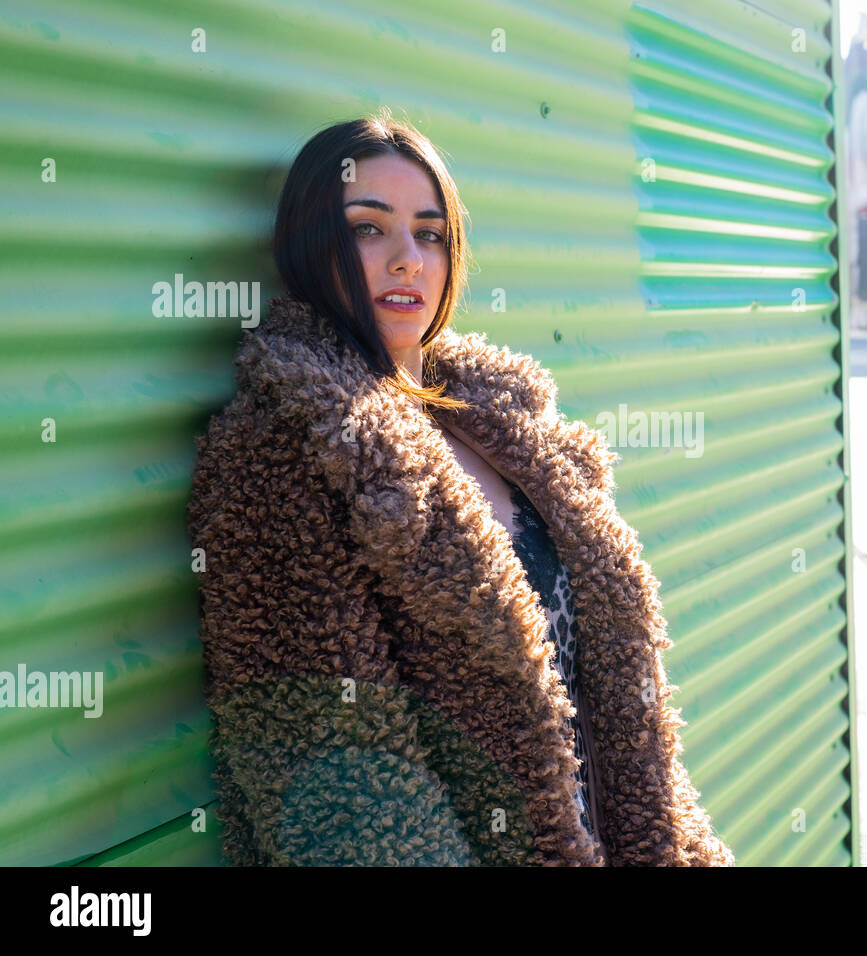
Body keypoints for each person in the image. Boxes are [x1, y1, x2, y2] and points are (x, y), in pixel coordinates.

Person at [186, 110, 734, 866]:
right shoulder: (287, 447)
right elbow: (340, 790)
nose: (408, 259)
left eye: (430, 233)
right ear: (310, 247)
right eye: (368, 229)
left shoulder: (507, 426)